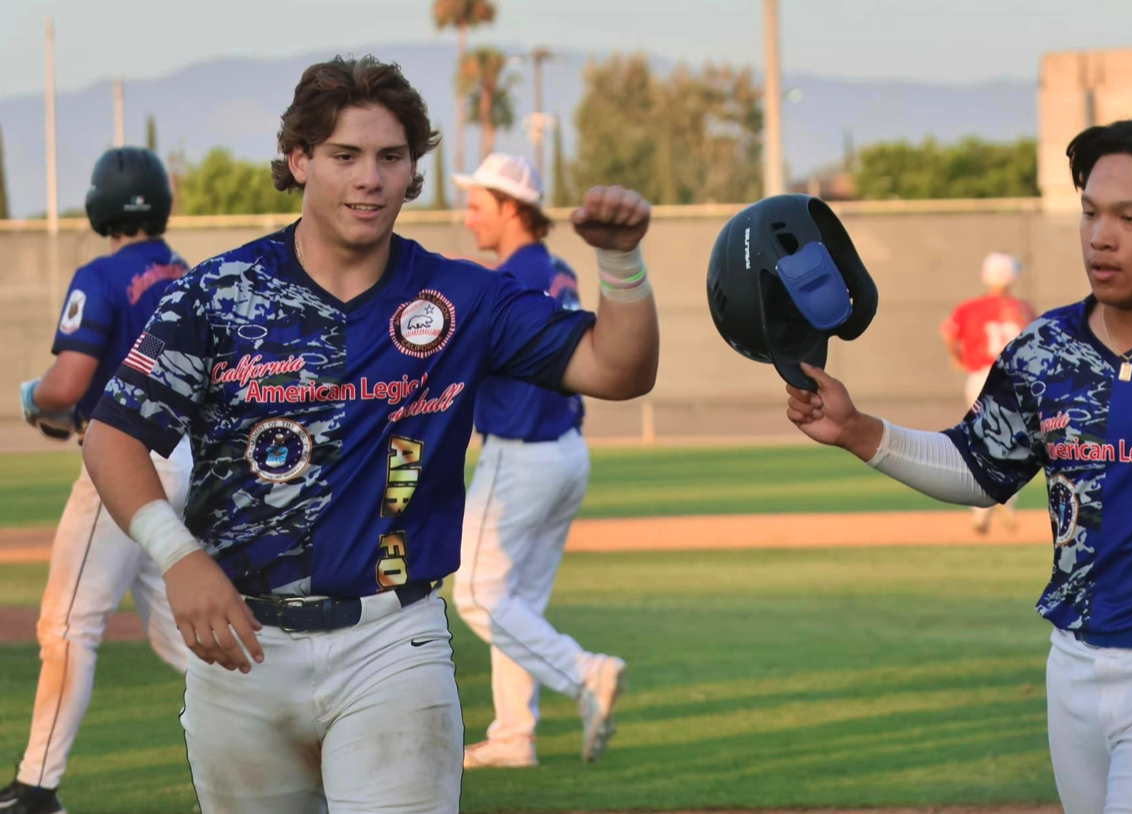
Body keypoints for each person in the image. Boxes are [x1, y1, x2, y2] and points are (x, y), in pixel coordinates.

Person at [79, 56, 658, 814]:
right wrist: (177, 558)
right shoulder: (218, 293)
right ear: (299, 161)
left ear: (415, 170)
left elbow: (618, 370)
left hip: (394, 642)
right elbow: (112, 432)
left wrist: (620, 262)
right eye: (345, 156)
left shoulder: (462, 296)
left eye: (391, 158)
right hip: (242, 649)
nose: (370, 179)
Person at [781, 118, 1132, 813]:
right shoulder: (1044, 349)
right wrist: (860, 431)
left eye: (1129, 216)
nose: (1099, 236)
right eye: (1090, 213)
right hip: (1072, 665)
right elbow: (980, 468)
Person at [2, 147, 192, 814]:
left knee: (66, 626)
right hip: (183, 457)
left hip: (125, 463)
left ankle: (36, 787)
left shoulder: (101, 274)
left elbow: (68, 384)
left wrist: (32, 397)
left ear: (99, 205)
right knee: (184, 637)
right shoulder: (183, 272)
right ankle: (298, 734)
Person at [448, 153, 625, 770]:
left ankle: (586, 674)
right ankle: (513, 736)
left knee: (473, 593)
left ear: (509, 207)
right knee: (516, 600)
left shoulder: (505, 282)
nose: (468, 217)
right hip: (568, 453)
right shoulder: (559, 270)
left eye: (477, 205)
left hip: (520, 452)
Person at [939, 252, 1035, 532]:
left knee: (980, 444)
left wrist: (956, 355)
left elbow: (948, 331)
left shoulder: (969, 308)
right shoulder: (1023, 309)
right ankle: (1005, 502)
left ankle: (980, 512)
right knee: (1015, 446)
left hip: (980, 378)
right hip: (1015, 381)